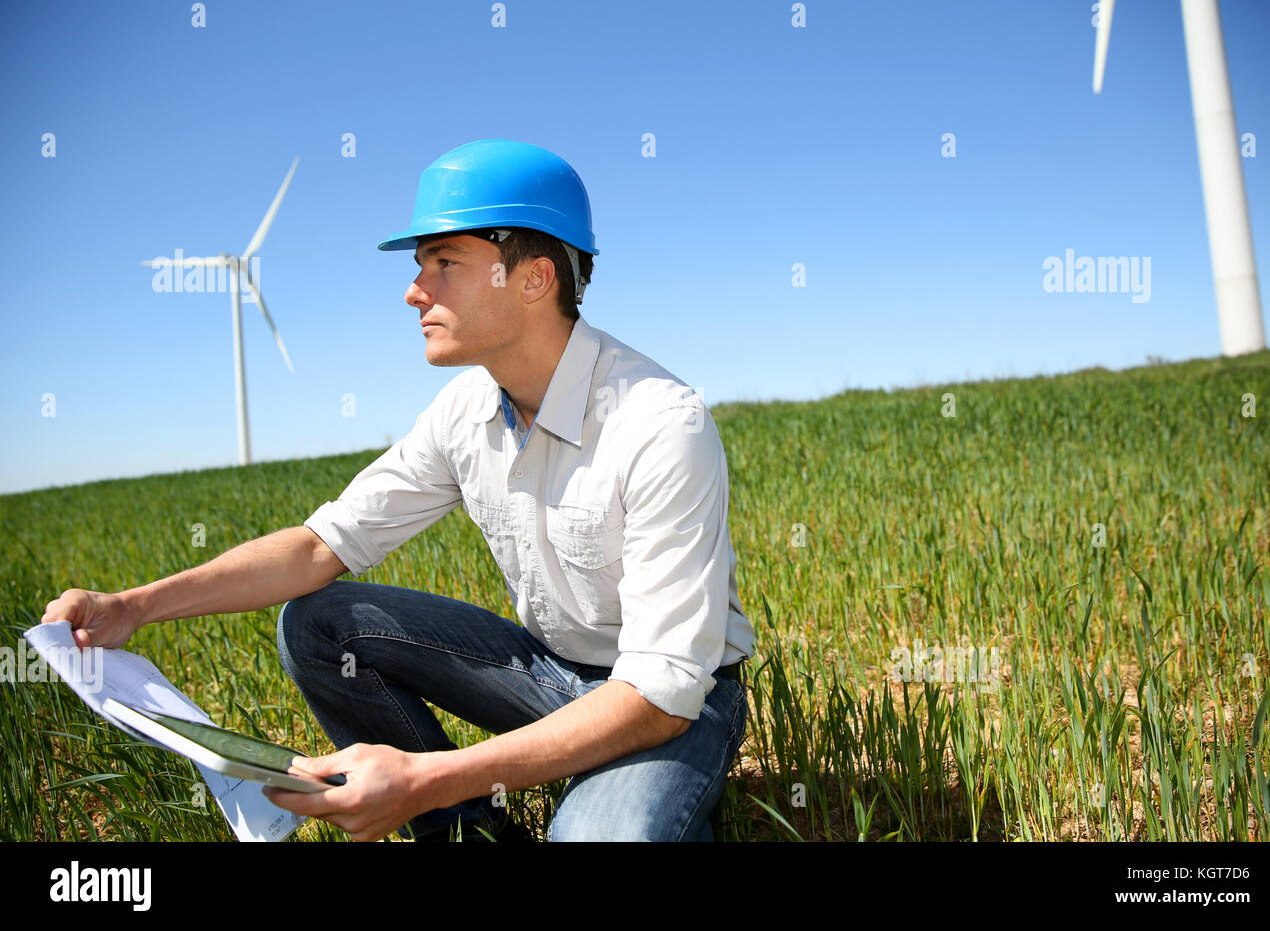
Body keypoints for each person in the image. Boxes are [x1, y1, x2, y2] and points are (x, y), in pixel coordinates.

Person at [43, 138, 755, 842]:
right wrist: (131, 607)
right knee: (321, 621)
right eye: (421, 267)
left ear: (534, 278)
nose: (414, 291)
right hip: (552, 675)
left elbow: (660, 694)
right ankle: (466, 831)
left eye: (444, 264)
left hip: (671, 703)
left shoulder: (661, 422)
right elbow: (319, 548)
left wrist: (423, 776)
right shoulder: (463, 411)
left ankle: (594, 792)